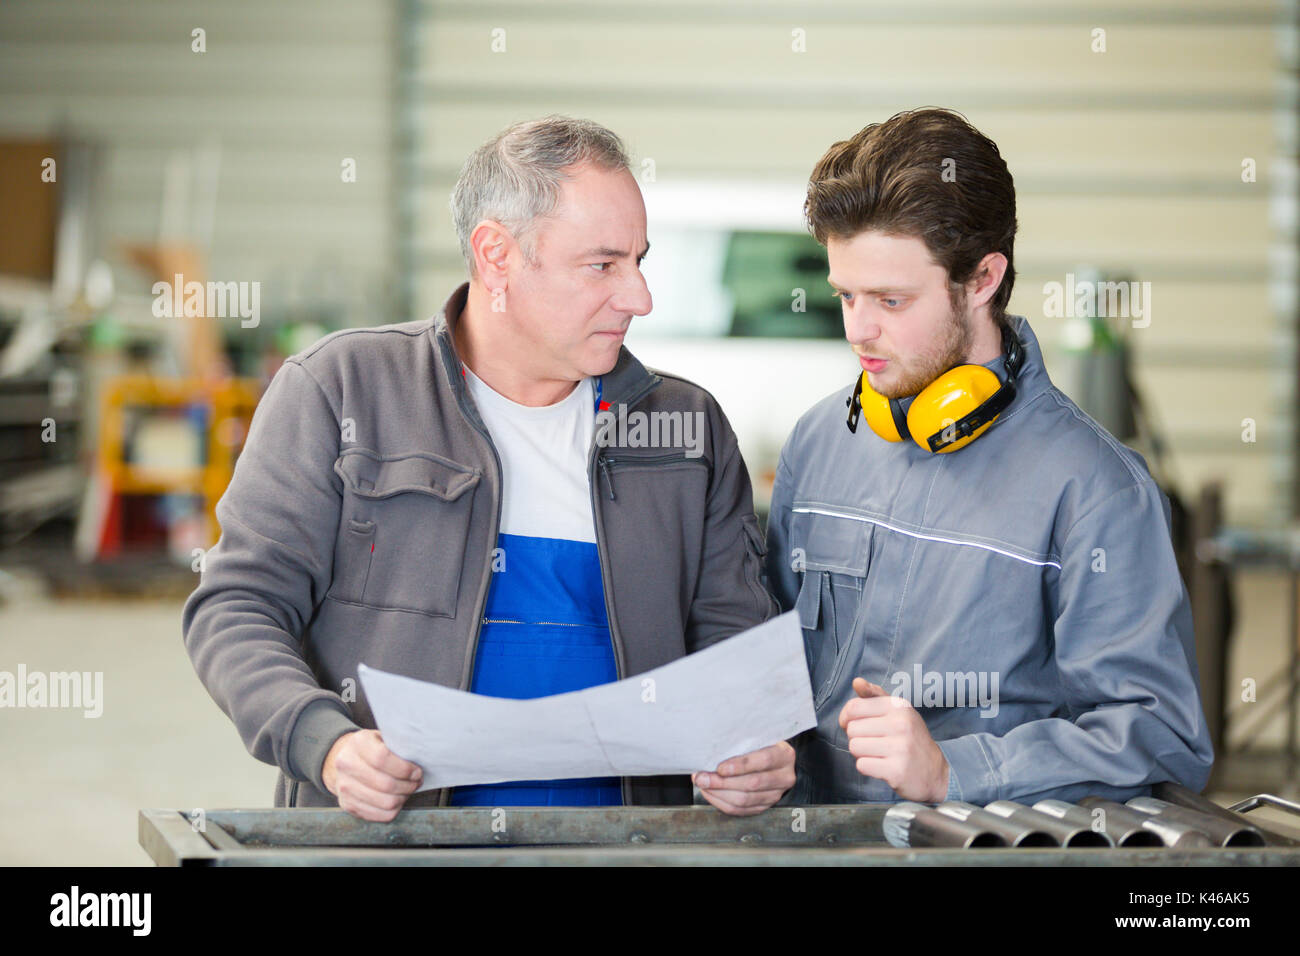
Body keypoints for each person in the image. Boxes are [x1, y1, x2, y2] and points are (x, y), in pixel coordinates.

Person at [182, 115, 794, 821]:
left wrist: (756, 749)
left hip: (622, 849)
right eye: (602, 265)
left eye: (639, 261)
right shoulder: (343, 389)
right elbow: (237, 606)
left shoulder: (686, 430)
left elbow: (734, 645)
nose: (639, 298)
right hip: (388, 847)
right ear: (496, 255)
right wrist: (325, 744)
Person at [766, 108, 1214, 806]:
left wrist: (955, 772)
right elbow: (773, 664)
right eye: (845, 295)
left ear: (981, 279)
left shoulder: (1095, 490)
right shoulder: (823, 441)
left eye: (891, 298)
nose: (859, 328)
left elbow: (1158, 735)